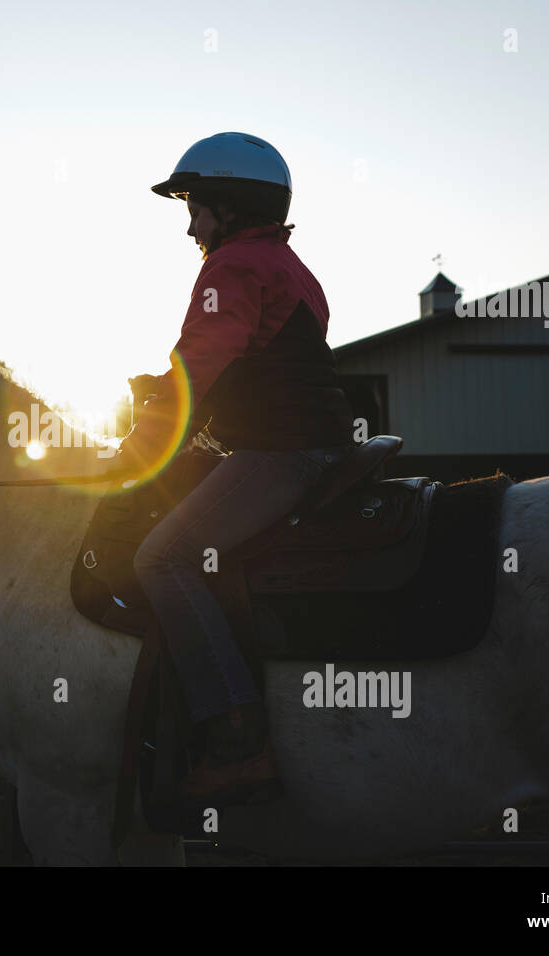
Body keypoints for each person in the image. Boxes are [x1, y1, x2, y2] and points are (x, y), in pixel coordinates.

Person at [113, 131, 357, 808]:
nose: (190, 225)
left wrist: (139, 449)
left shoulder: (232, 266)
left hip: (283, 452)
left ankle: (237, 739)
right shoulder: (289, 266)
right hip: (310, 443)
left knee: (163, 559)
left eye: (197, 207)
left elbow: (202, 363)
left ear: (230, 206)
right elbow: (233, 367)